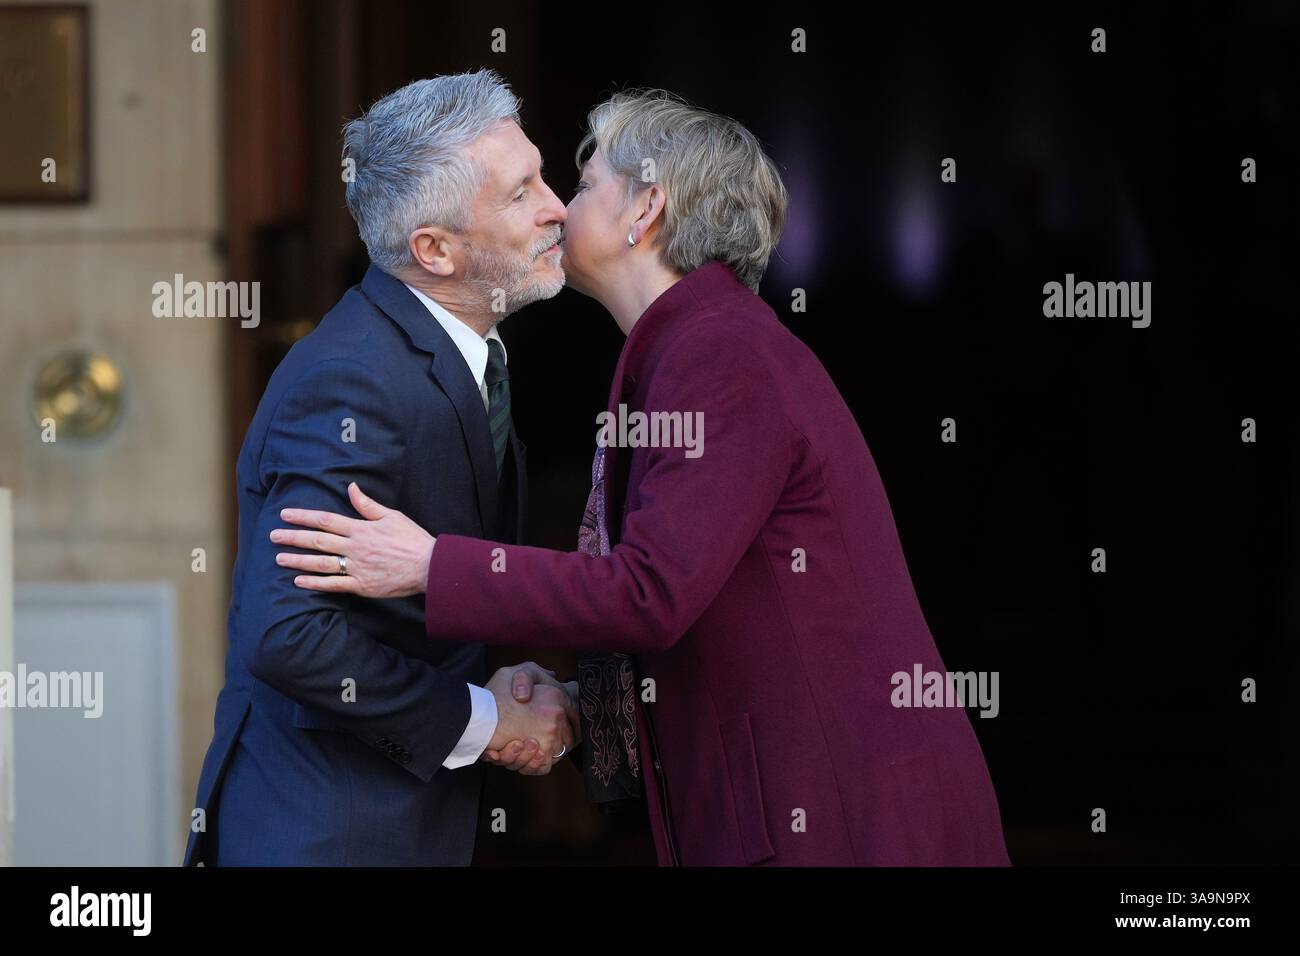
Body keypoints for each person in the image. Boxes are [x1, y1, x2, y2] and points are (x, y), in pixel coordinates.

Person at [275, 89, 1012, 866]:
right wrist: (559, 709)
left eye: (583, 185)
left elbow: (650, 592)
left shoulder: (718, 353)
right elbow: (703, 609)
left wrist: (430, 565)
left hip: (843, 815)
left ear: (646, 208)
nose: (559, 208)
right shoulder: (695, 344)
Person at [185, 70, 580, 866]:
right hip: (326, 834)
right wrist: (484, 720)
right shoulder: (354, 379)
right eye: (520, 194)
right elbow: (289, 633)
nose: (557, 208)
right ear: (434, 250)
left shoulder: (465, 351)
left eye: (543, 175)